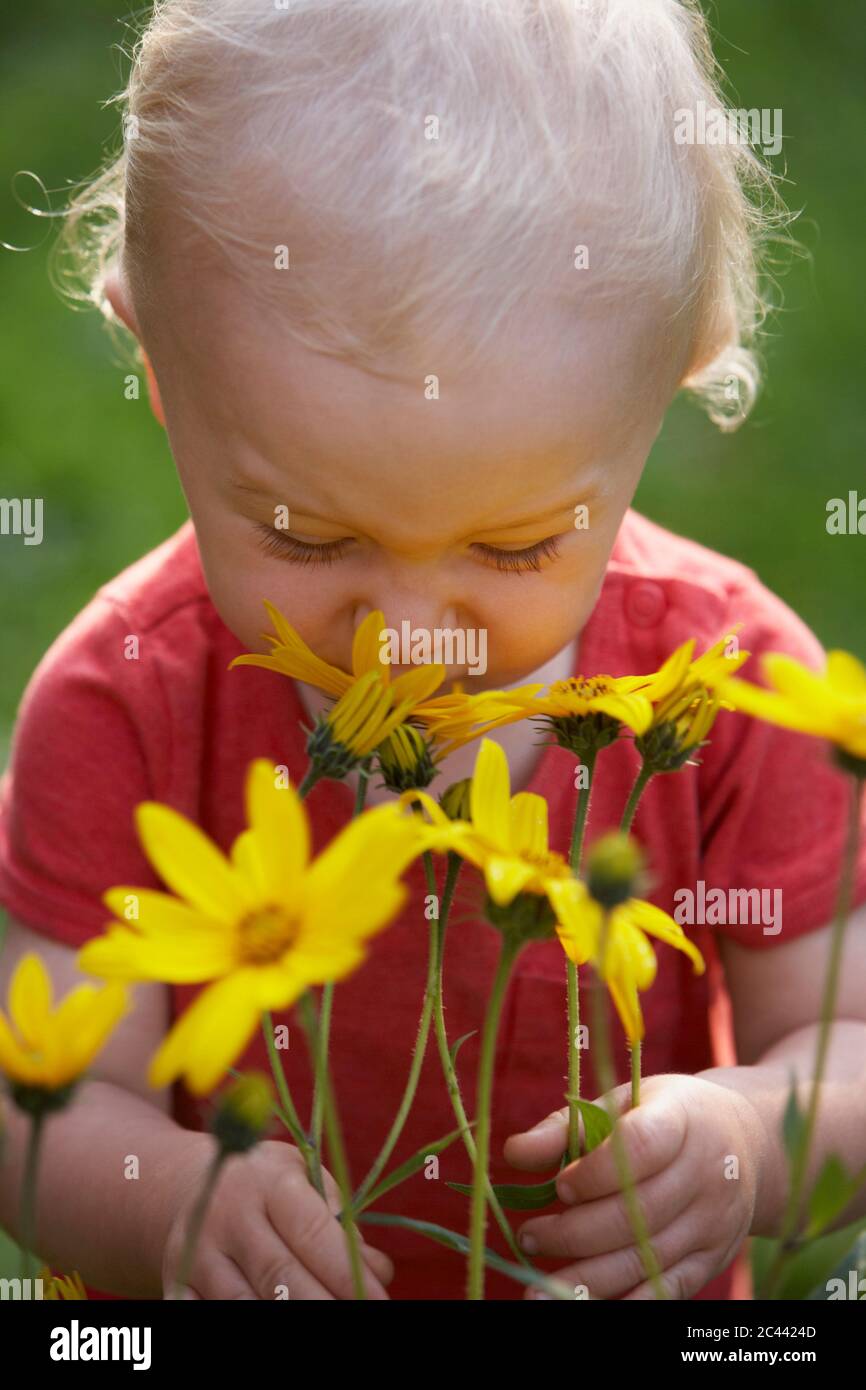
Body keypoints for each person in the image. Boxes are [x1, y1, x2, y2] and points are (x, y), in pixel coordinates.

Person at [1, 0, 865, 1301]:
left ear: (674, 380)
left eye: (513, 547)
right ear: (158, 372)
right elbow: (34, 1105)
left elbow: (845, 1048)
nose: (404, 635)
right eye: (303, 532)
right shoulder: (123, 699)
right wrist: (161, 1204)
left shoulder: (732, 692)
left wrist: (747, 1140)